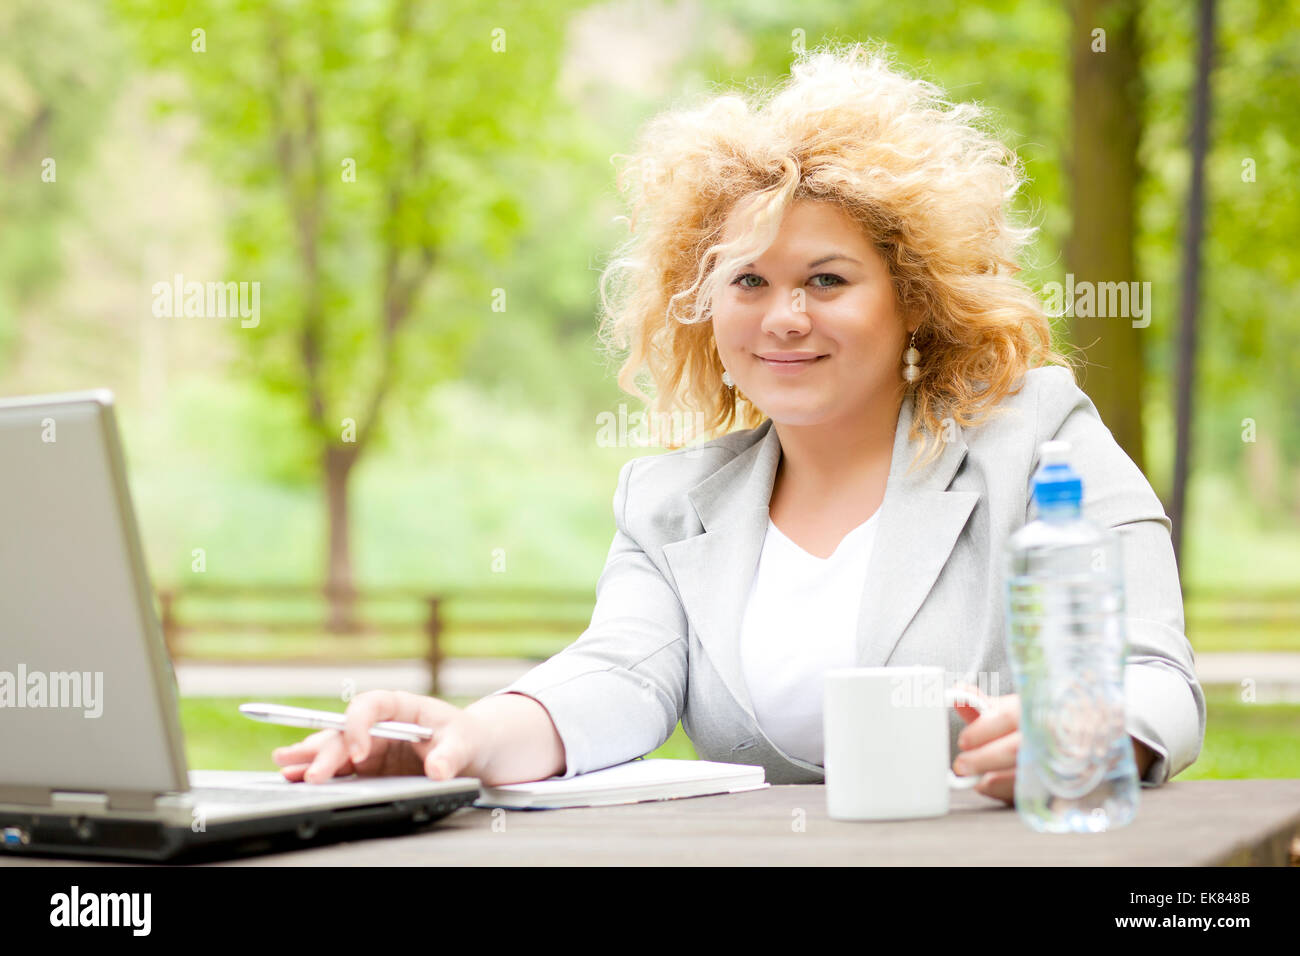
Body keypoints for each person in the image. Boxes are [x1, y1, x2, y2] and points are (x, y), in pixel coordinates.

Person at [273, 42, 1205, 804]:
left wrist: (1086, 727)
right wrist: (466, 737)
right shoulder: (669, 498)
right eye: (748, 282)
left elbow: (1159, 676)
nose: (783, 317)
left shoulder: (1040, 434)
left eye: (827, 280)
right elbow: (620, 677)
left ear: (914, 298)